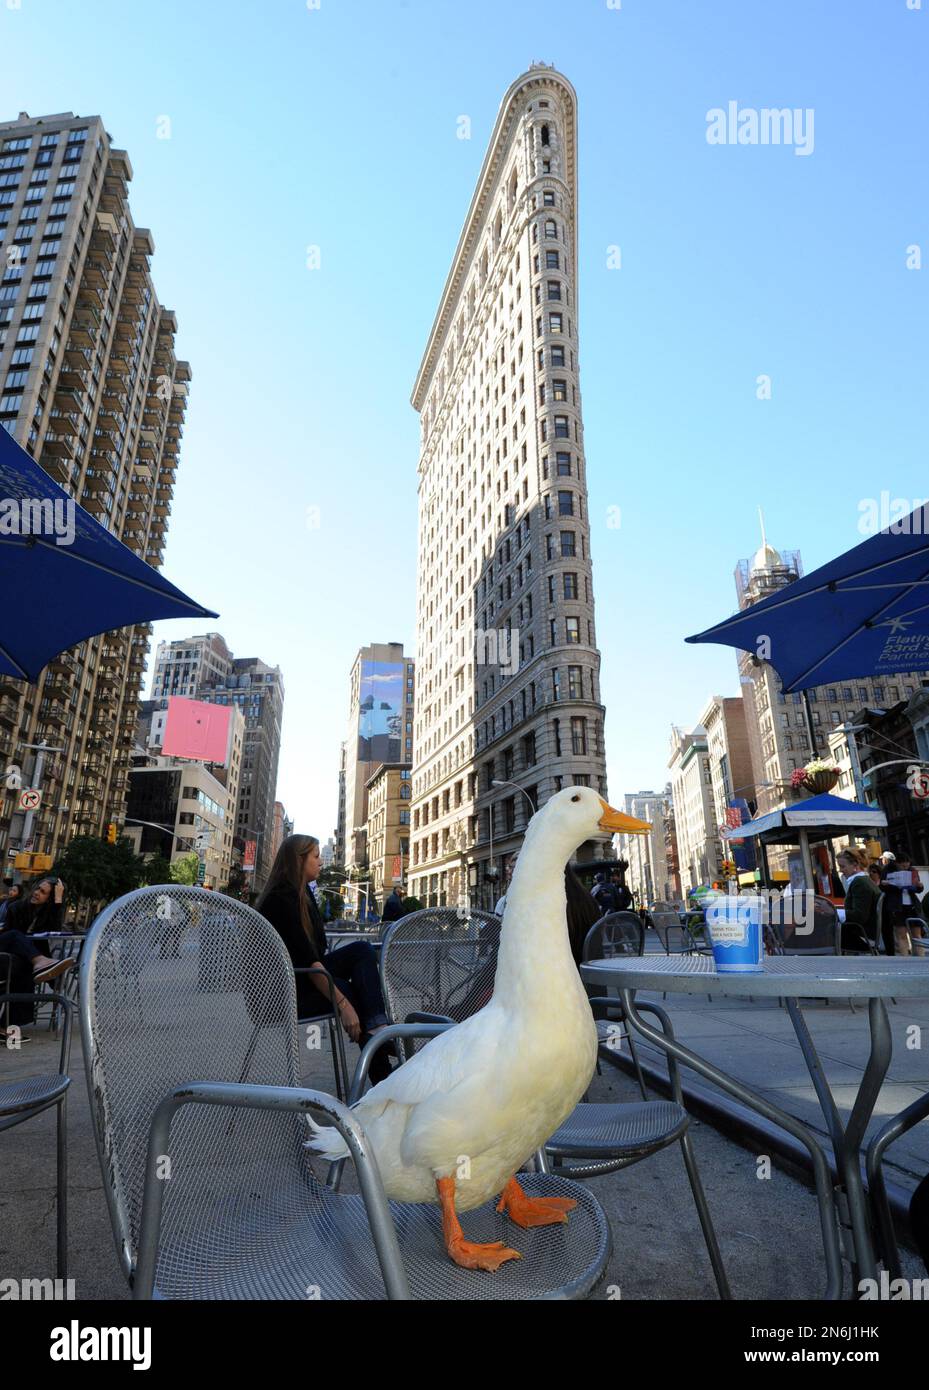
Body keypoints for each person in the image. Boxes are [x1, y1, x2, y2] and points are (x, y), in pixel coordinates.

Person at [256, 834, 394, 1084]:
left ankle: (377, 1030)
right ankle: (385, 1074)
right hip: (280, 993)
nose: (321, 863)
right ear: (299, 861)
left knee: (362, 950)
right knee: (349, 994)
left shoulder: (302, 895)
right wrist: (344, 1006)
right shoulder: (281, 899)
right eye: (316, 857)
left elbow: (316, 957)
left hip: (301, 980)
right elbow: (310, 964)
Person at [0, 878, 74, 1037]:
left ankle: (7, 1024)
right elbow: (8, 933)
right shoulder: (16, 907)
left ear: (50, 897)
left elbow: (54, 931)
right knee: (16, 935)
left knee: (25, 968)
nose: (36, 893)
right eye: (37, 889)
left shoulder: (46, 913)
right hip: (6, 947)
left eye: (43, 892)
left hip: (22, 958)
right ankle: (46, 968)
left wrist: (58, 900)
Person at [879, 849, 923, 956]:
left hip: (912, 905)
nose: (905, 866)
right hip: (897, 906)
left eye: (907, 863)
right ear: (896, 863)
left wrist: (920, 886)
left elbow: (918, 889)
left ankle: (920, 958)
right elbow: (882, 887)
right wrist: (884, 884)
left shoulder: (912, 871)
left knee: (917, 935)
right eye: (902, 864)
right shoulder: (888, 870)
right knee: (901, 934)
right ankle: (905, 959)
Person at [836, 847, 881, 953]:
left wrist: (833, 912)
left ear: (855, 865)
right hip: (866, 934)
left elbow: (859, 915)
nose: (840, 870)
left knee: (819, 931)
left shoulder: (859, 883)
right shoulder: (865, 880)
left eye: (842, 866)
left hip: (863, 937)